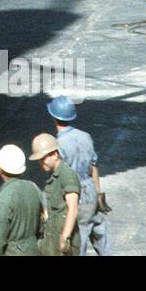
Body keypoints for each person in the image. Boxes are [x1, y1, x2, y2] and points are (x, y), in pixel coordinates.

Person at [48, 95, 112, 255]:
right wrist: (98, 194)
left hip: (76, 195)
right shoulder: (86, 136)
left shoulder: (58, 145)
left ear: (54, 117)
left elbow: (60, 177)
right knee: (101, 237)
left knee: (79, 242)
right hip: (91, 190)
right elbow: (93, 168)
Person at [0, 144, 43, 255]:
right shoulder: (33, 188)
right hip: (34, 250)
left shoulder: (4, 196)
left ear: (1, 169)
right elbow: (42, 225)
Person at [30, 133, 80, 256]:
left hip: (62, 240)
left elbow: (73, 208)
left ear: (55, 154)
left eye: (43, 158)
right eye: (39, 160)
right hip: (52, 238)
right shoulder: (55, 176)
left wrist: (65, 238)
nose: (41, 163)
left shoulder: (67, 175)